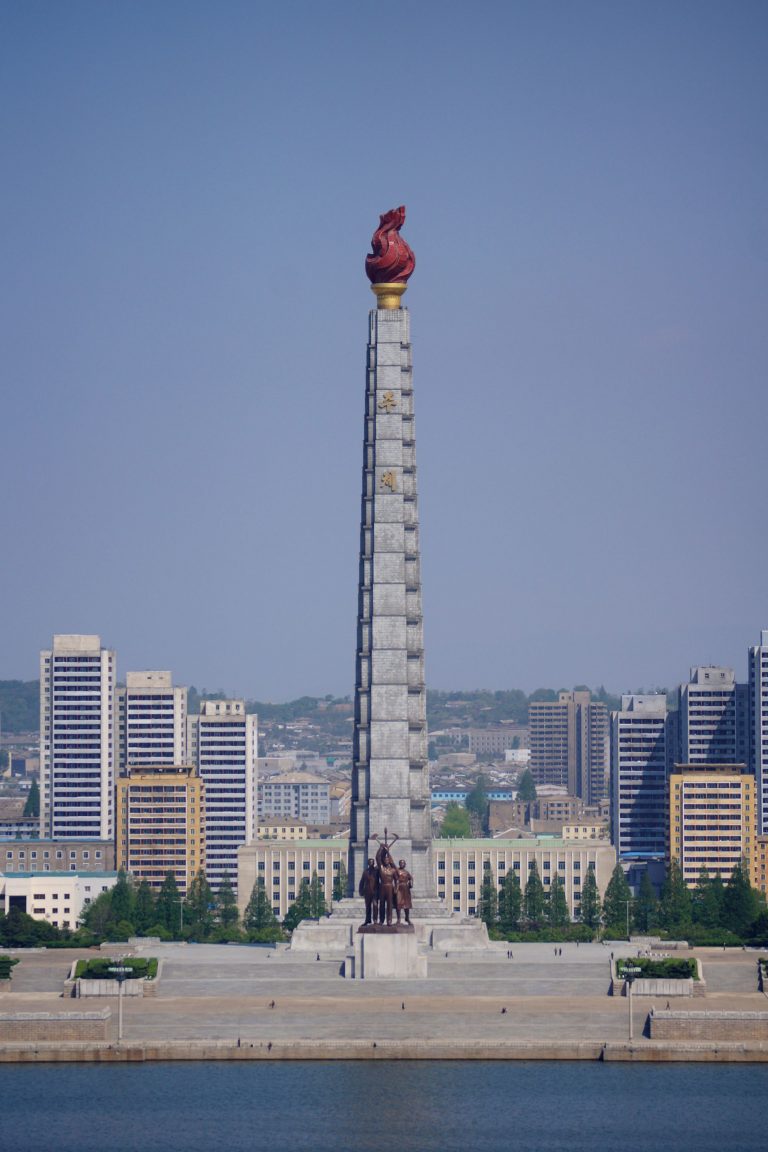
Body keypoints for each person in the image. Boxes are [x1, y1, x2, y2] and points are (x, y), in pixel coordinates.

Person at [376, 844, 397, 925]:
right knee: (381, 904)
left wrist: (395, 888)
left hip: (390, 887)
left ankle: (389, 920)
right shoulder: (381, 868)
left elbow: (396, 880)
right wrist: (380, 848)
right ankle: (381, 920)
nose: (386, 861)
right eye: (385, 859)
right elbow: (377, 857)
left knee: (389, 905)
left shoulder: (393, 870)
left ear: (389, 861)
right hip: (382, 887)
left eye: (387, 860)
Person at [358, 857, 380, 925]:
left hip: (375, 891)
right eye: (370, 862)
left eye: (372, 862)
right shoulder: (365, 871)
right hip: (367, 891)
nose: (371, 863)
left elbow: (380, 861)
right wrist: (360, 890)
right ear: (368, 863)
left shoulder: (376, 871)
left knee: (375, 905)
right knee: (368, 907)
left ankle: (375, 920)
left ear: (374, 863)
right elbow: (362, 881)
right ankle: (368, 920)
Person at [395, 858, 413, 926]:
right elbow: (394, 878)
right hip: (399, 888)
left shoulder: (406, 872)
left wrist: (411, 883)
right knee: (398, 904)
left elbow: (411, 878)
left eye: (403, 863)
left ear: (405, 864)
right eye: (400, 863)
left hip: (406, 889)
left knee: (407, 905)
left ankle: (407, 918)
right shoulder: (397, 871)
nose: (402, 864)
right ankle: (398, 919)